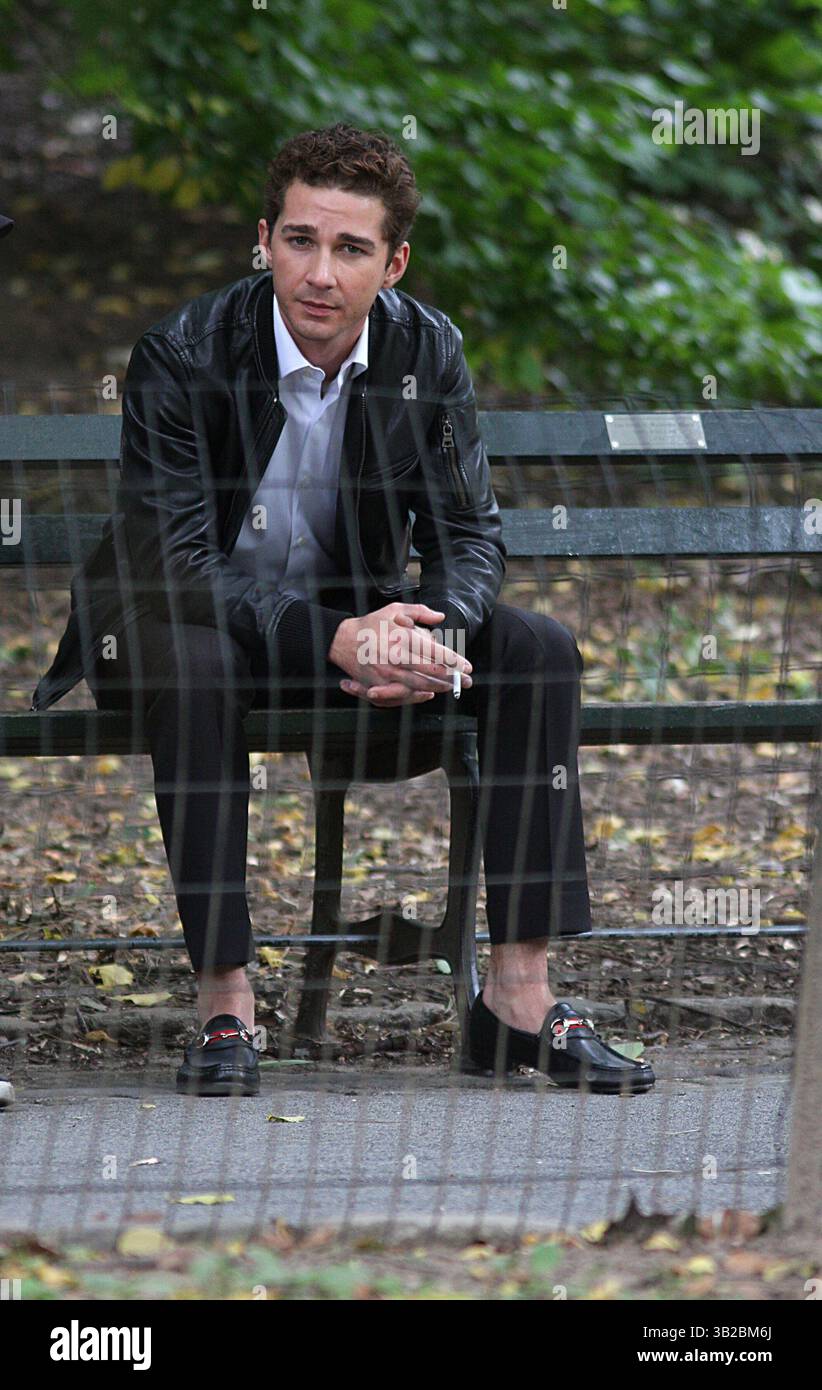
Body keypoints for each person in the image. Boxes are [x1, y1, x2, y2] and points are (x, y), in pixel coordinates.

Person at [31, 123, 654, 1097]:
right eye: (299, 240)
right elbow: (178, 565)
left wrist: (428, 634)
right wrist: (341, 639)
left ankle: (517, 998)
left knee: (537, 648)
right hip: (177, 627)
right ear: (265, 241)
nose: (319, 274)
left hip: (353, 627)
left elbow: (469, 535)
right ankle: (225, 1000)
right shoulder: (183, 354)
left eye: (351, 248)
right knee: (198, 662)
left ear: (393, 262)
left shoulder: (426, 349)